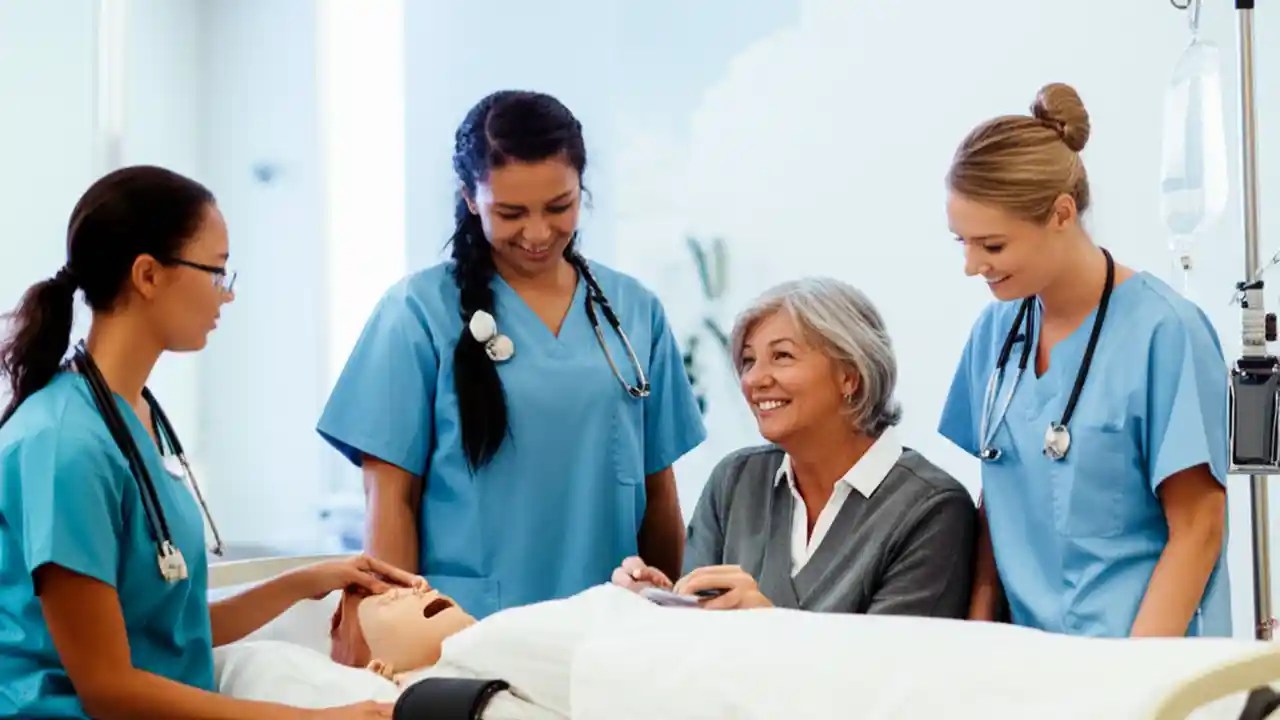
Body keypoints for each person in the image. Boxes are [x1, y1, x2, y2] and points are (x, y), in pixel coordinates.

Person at [0, 165, 422, 719]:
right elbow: (108, 687)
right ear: (148, 275)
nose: (227, 296)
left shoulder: (139, 415)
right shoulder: (64, 445)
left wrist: (306, 581)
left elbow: (172, 631)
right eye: (217, 272)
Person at [317, 90, 707, 620]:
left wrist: (670, 618)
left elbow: (658, 493)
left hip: (612, 627)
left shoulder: (634, 311)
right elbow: (391, 501)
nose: (539, 232)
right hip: (464, 629)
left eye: (560, 206)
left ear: (582, 189)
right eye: (511, 212)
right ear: (471, 198)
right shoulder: (416, 313)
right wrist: (392, 635)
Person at [937, 82, 1231, 638]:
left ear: (1062, 213)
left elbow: (1198, 527)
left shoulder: (1164, 333)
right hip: (1030, 661)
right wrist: (976, 638)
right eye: (964, 244)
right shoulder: (995, 334)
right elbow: (996, 497)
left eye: (993, 246)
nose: (974, 266)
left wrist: (1135, 684)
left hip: (1145, 658)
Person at [613, 278, 976, 616]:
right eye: (749, 361)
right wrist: (659, 605)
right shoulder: (735, 481)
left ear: (849, 376)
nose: (755, 379)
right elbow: (698, 641)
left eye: (782, 356)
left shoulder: (932, 508)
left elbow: (891, 670)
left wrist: (767, 622)